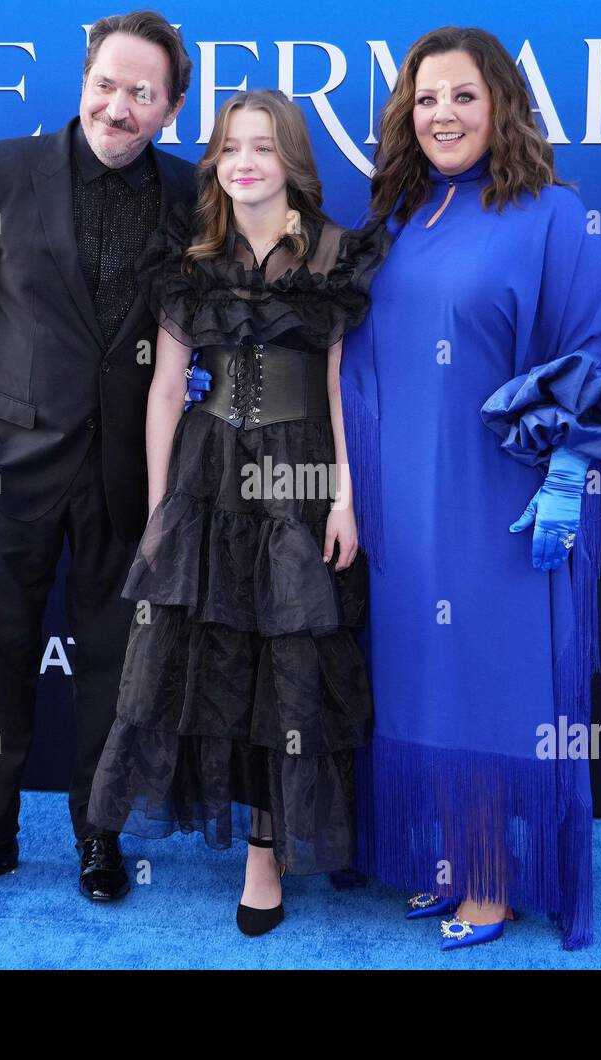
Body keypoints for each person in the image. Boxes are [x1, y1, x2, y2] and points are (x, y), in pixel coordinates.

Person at [337, 27, 601, 950]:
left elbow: (593, 353)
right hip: (400, 501)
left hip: (497, 500)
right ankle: (450, 855)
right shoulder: (402, 215)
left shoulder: (551, 214)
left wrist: (570, 470)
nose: (442, 114)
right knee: (418, 678)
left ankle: (492, 877)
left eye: (461, 96)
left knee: (490, 682)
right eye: (425, 99)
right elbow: (356, 355)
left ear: (501, 105)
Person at [86, 88, 392, 936]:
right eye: (229, 147)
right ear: (215, 161)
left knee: (286, 669)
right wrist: (159, 511)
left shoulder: (336, 251)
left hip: (297, 477)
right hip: (207, 477)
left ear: (293, 160)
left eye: (263, 146)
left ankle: (267, 857)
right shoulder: (190, 253)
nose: (244, 161)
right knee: (211, 658)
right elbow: (163, 392)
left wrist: (345, 497)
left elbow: (341, 385)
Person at [0, 11, 198, 905]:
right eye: (106, 85)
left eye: (140, 93)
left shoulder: (192, 193)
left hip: (128, 471)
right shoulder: (4, 169)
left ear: (171, 107)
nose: (118, 106)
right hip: (2, 463)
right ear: (85, 82)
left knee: (116, 667)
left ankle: (98, 835)